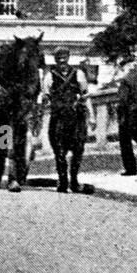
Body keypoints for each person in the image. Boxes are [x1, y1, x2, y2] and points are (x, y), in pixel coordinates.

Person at [45, 48, 94, 194]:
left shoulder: (78, 74)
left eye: (64, 57)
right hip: (59, 118)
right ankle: (63, 181)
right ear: (55, 59)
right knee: (59, 152)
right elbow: (46, 97)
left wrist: (91, 116)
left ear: (68, 57)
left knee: (78, 149)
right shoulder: (49, 76)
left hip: (76, 117)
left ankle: (74, 180)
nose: (62, 60)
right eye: (59, 57)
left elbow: (85, 96)